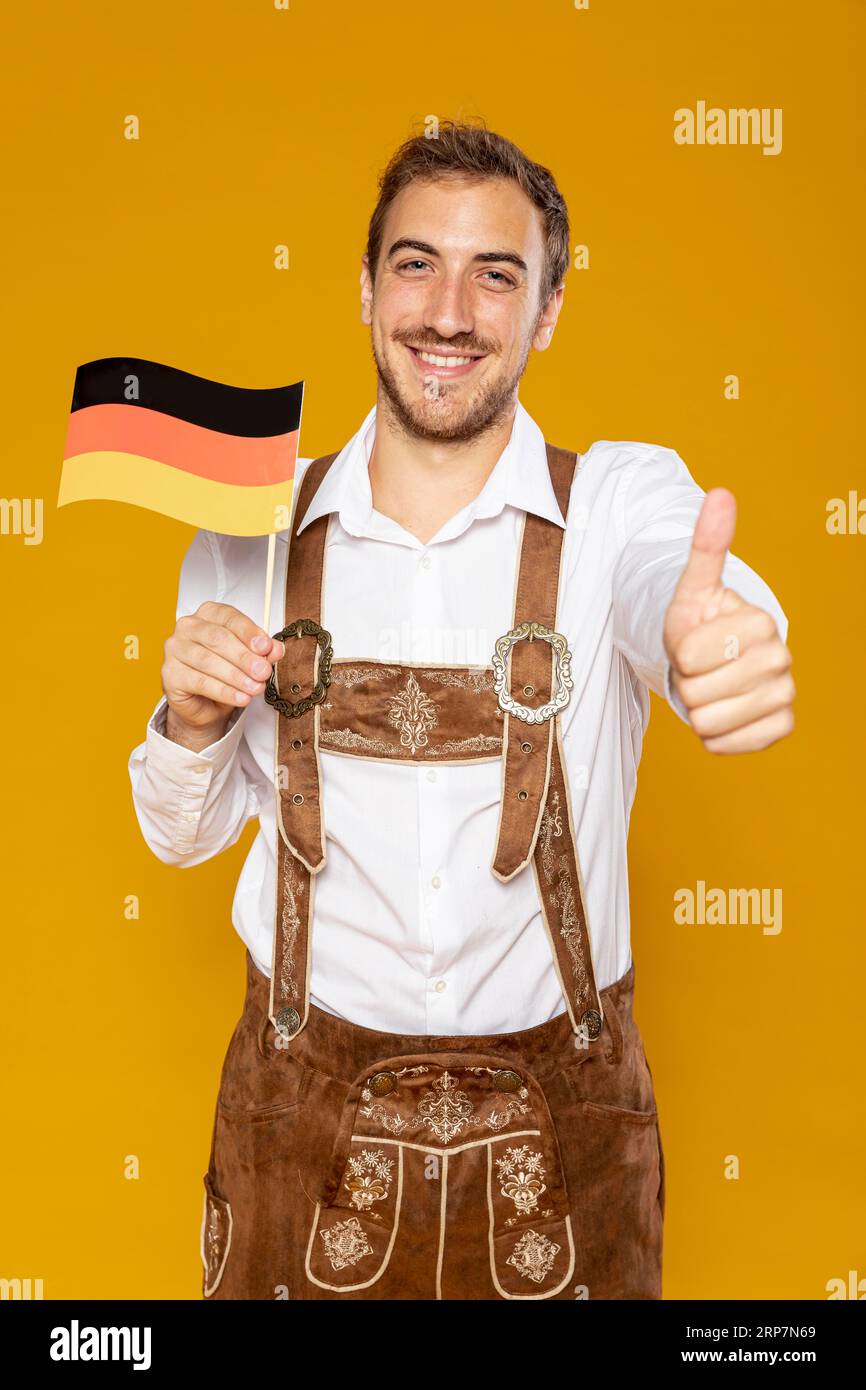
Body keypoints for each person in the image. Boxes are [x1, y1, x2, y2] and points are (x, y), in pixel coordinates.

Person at [128, 120, 793, 1301]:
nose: (448, 311)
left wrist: (715, 638)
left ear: (544, 312)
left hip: (567, 1144)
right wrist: (185, 721)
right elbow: (178, 838)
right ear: (366, 288)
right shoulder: (251, 532)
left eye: (496, 274)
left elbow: (674, 583)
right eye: (415, 263)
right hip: (297, 1134)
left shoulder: (615, 505)